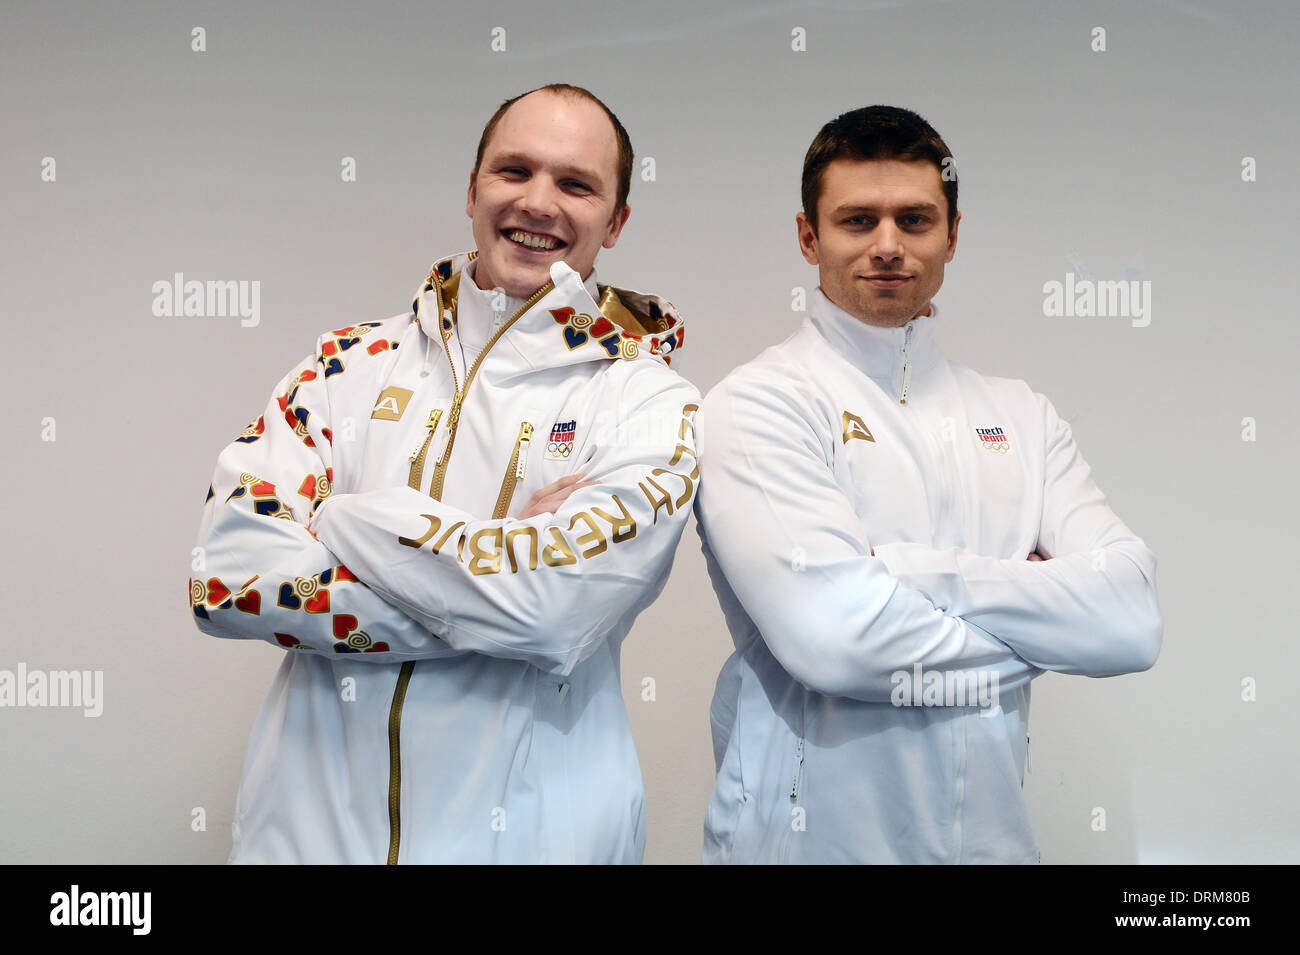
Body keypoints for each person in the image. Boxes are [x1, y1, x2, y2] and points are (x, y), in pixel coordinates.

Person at [189, 83, 699, 864]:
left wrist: (344, 520)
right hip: (305, 841)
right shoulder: (342, 364)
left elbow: (553, 616)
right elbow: (225, 582)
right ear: (471, 190)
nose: (538, 202)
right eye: (513, 171)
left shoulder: (651, 401)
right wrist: (501, 560)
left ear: (616, 220)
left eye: (575, 183)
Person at [694, 105, 1162, 864]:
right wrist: (1043, 618)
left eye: (914, 219)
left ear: (952, 233)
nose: (888, 246)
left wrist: (903, 570)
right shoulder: (758, 402)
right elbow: (837, 643)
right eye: (857, 220)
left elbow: (1130, 622)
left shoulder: (1020, 415)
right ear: (809, 236)